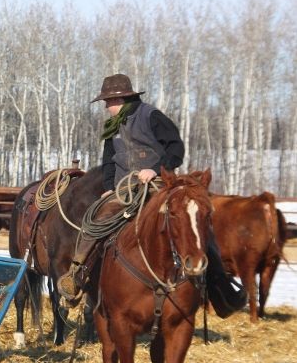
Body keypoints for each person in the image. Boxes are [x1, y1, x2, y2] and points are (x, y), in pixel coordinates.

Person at [57, 74, 246, 313]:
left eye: (108, 102)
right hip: (124, 189)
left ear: (121, 99)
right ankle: (77, 275)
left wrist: (155, 169)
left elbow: (176, 147)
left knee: (193, 224)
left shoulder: (151, 116)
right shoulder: (111, 127)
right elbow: (108, 161)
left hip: (158, 184)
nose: (106, 107)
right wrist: (108, 188)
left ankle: (221, 290)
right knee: (96, 220)